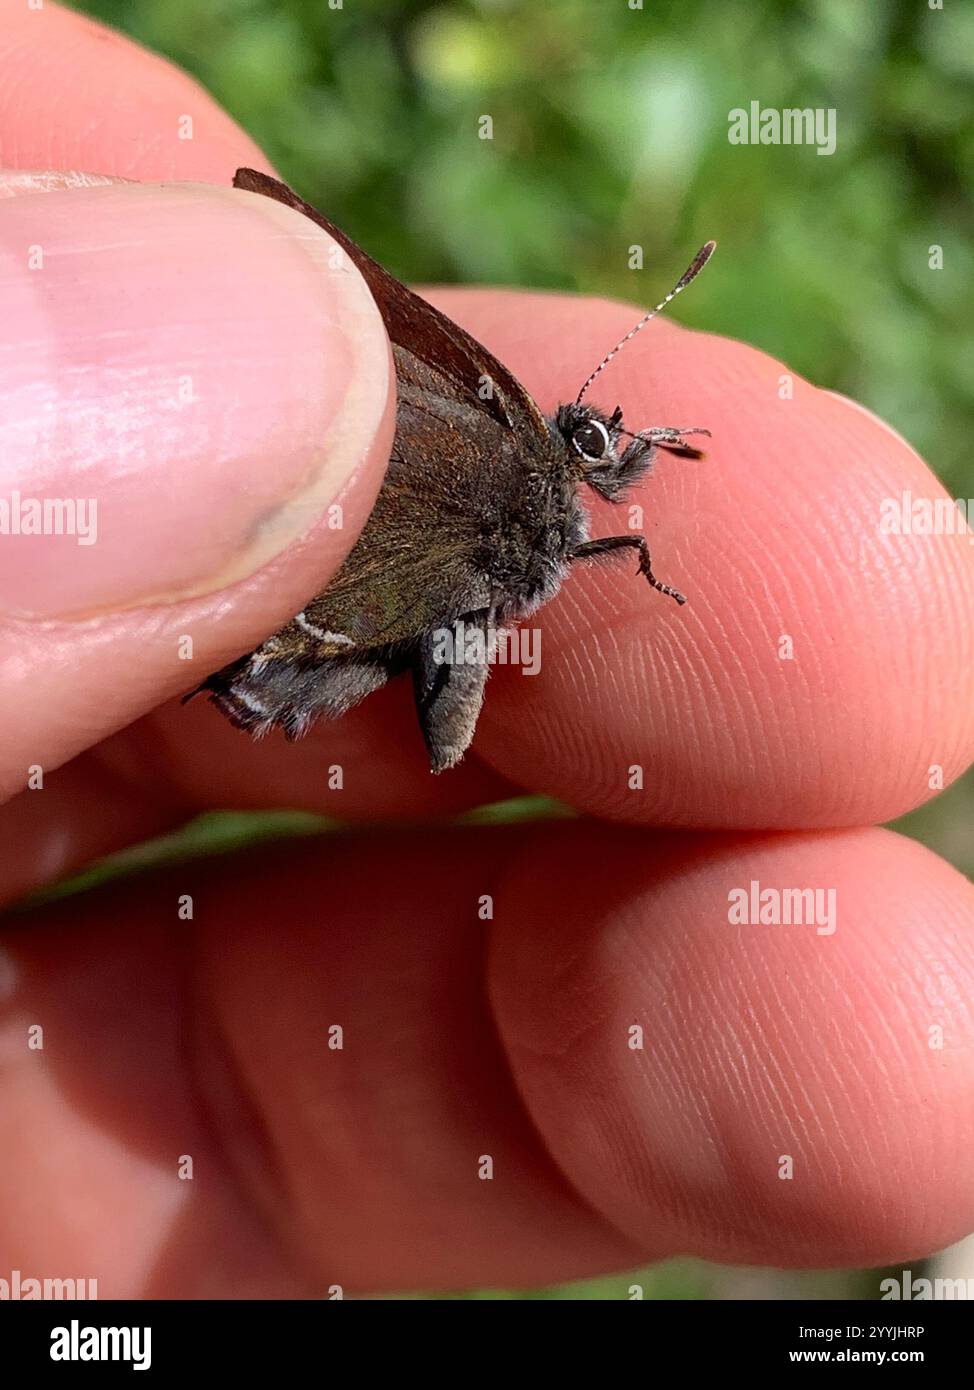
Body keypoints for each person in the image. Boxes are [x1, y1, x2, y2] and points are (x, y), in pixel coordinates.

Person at [1, 2, 972, 1298]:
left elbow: (607, 525)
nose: (601, 451)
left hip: (410, 615)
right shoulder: (515, 470)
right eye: (592, 446)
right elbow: (592, 528)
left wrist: (645, 504)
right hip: (360, 602)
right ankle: (286, 650)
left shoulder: (545, 497)